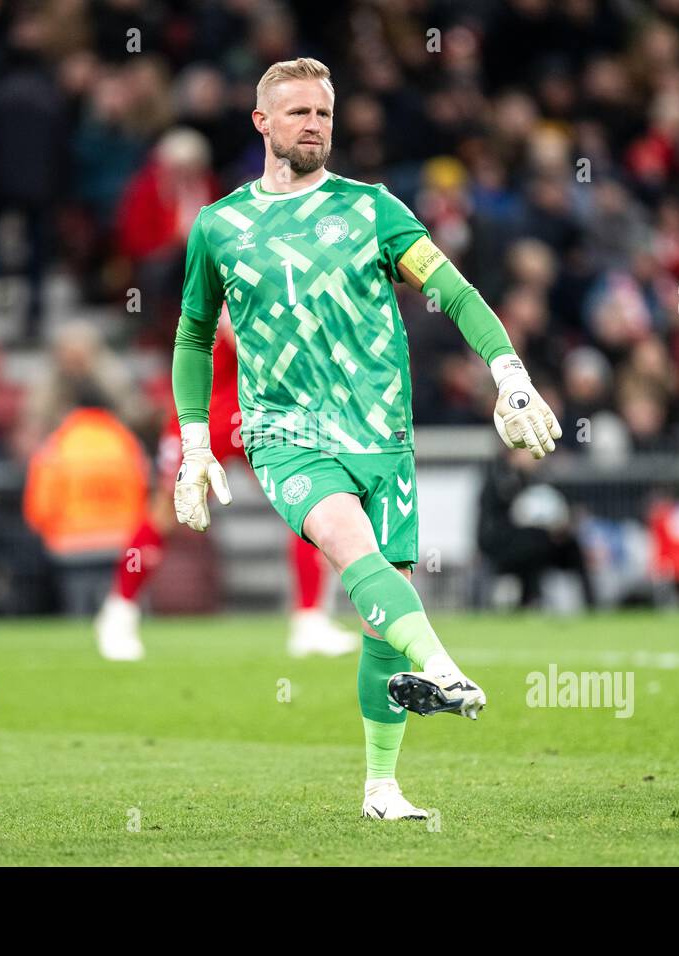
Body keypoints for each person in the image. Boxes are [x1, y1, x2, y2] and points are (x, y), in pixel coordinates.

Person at [169, 58, 561, 820]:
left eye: (323, 112)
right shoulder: (219, 226)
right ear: (262, 123)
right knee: (355, 554)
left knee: (384, 619)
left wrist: (509, 374)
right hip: (285, 434)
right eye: (297, 113)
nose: (313, 125)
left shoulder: (372, 209)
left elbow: (453, 290)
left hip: (383, 437)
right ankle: (441, 665)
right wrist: (194, 442)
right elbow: (191, 335)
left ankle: (382, 788)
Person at [94, 305, 359, 661]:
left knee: (307, 502)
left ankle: (309, 620)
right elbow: (246, 339)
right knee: (167, 513)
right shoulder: (236, 276)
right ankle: (119, 612)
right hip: (206, 411)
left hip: (259, 413)